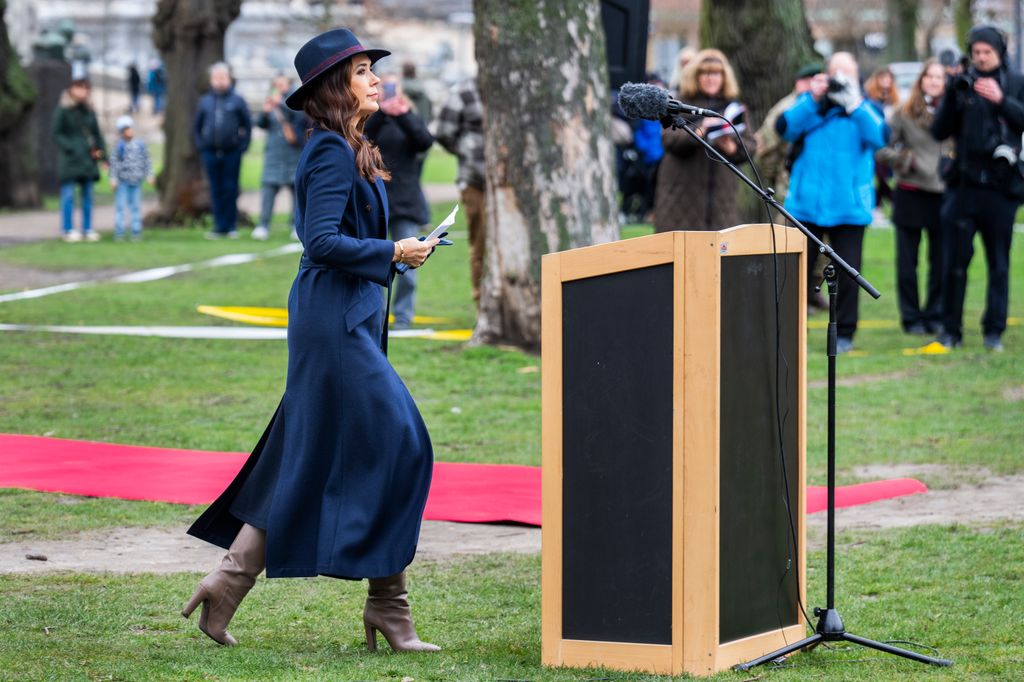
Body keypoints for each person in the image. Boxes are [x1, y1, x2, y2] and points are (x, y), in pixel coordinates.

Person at [183, 27, 441, 653]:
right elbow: (320, 241)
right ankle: (388, 606)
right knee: (402, 444)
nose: (375, 79)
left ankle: (229, 582)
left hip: (345, 316)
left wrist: (399, 253)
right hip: (333, 323)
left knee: (308, 455)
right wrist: (394, 252)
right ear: (334, 87)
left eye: (372, 69)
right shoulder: (328, 149)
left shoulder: (351, 144)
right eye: (362, 72)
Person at [776, 52, 887, 353]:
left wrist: (855, 104)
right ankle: (789, 329)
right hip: (806, 204)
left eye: (846, 73)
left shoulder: (864, 108)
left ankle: (845, 332)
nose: (840, 79)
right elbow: (785, 128)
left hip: (848, 206)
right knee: (796, 272)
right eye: (835, 73)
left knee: (849, 273)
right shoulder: (810, 105)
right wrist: (813, 98)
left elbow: (879, 139)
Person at [931, 26, 1024, 352]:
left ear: (999, 52)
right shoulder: (963, 83)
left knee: (999, 263)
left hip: (1000, 188)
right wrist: (951, 94)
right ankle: (950, 329)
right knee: (954, 262)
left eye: (988, 52)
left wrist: (1001, 100)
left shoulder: (1015, 82)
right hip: (963, 187)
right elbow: (938, 131)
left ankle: (994, 330)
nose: (982, 58)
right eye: (977, 52)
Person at [875, 60, 949, 335]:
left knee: (941, 261)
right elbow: (881, 148)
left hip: (943, 194)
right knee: (907, 263)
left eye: (939, 77)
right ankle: (911, 318)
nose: (934, 81)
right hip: (910, 192)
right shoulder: (903, 112)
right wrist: (905, 160)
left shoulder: (953, 111)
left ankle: (935, 314)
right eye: (929, 76)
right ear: (921, 80)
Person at [654, 48, 757, 232]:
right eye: (705, 73)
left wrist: (731, 147)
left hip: (721, 199)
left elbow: (750, 145)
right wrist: (701, 130)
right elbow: (669, 139)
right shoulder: (679, 103)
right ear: (695, 76)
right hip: (681, 196)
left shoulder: (734, 107)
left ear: (724, 77)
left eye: (716, 73)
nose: (711, 78)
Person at [365, 73, 434, 330]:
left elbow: (424, 142)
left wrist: (402, 114)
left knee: (408, 262)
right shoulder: (372, 118)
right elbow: (365, 138)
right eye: (386, 86)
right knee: (375, 261)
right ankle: (377, 315)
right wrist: (382, 112)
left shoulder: (410, 116)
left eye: (393, 86)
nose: (389, 90)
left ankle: (403, 315)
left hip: (405, 200)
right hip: (375, 200)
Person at [433, 78, 485, 305]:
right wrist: (467, 151)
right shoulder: (464, 92)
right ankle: (482, 304)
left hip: (512, 184)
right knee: (481, 246)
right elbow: (443, 132)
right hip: (476, 181)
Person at [193, 62, 252, 239]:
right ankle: (219, 226)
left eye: (223, 77)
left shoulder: (237, 100)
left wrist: (242, 145)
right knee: (215, 189)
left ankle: (231, 225)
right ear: (211, 80)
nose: (220, 81)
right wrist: (201, 145)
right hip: (210, 152)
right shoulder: (205, 101)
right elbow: (197, 126)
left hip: (232, 153)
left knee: (230, 188)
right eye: (216, 77)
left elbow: (247, 125)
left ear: (229, 79)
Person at [755, 62, 823, 205]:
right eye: (811, 81)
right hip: (790, 185)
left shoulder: (823, 105)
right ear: (800, 83)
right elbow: (766, 148)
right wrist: (779, 175)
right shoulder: (788, 108)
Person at [52, 77, 107, 243]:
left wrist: (103, 155)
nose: (82, 91)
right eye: (79, 87)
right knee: (68, 196)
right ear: (72, 89)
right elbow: (56, 133)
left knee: (88, 196)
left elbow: (97, 135)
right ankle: (68, 229)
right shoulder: (63, 110)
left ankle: (87, 228)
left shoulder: (89, 111)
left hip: (88, 160)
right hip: (70, 160)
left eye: (85, 88)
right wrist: (71, 148)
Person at [252, 74, 307, 240]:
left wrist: (280, 104)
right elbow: (261, 124)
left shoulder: (295, 101)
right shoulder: (271, 101)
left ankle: (295, 225)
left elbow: (299, 116)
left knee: (297, 191)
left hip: (293, 152)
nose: (279, 87)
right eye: (276, 84)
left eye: (282, 84)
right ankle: (263, 225)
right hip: (274, 154)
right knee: (268, 189)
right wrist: (265, 112)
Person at [109, 115, 154, 242]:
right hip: (122, 182)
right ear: (122, 132)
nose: (129, 131)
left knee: (136, 207)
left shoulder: (140, 145)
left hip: (136, 181)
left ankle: (136, 231)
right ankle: (119, 232)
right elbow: (114, 164)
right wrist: (113, 178)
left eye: (130, 129)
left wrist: (149, 175)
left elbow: (146, 161)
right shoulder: (118, 147)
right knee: (120, 207)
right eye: (126, 130)